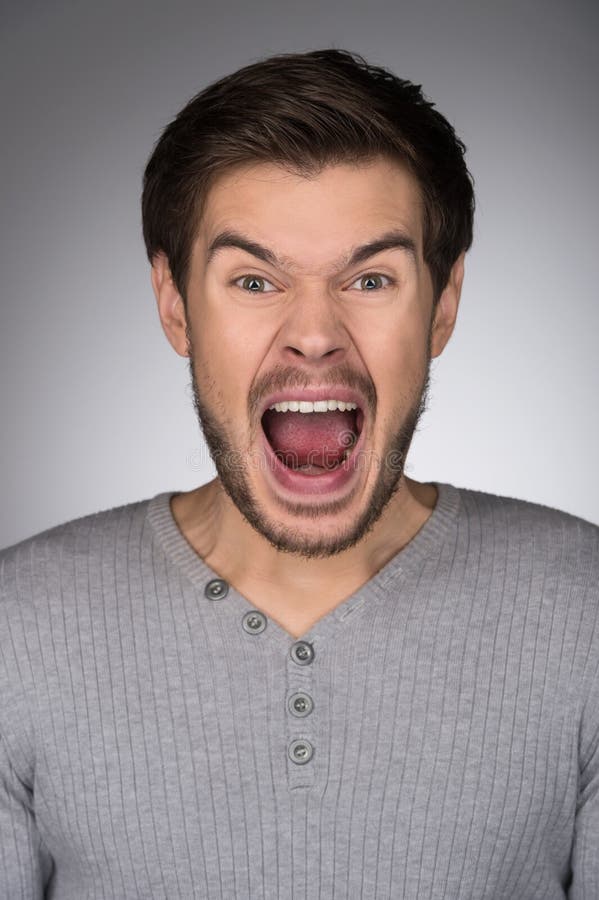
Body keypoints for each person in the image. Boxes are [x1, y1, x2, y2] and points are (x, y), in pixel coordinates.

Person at [1, 48, 597, 900]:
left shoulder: (585, 615)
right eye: (253, 279)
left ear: (444, 303)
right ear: (174, 306)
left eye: (369, 278)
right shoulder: (15, 634)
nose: (313, 333)